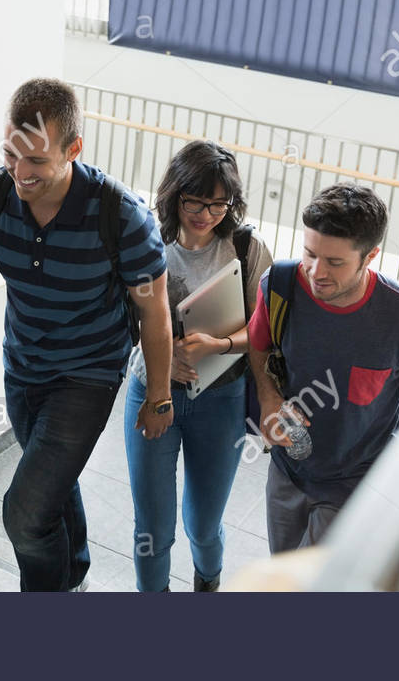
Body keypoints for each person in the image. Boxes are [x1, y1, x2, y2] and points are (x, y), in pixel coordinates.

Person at [0, 79, 172, 591]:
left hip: (89, 373)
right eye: (11, 154)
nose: (20, 172)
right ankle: (74, 574)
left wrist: (159, 396)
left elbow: (154, 314)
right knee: (53, 489)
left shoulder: (121, 216)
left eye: (36, 160)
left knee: (24, 512)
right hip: (23, 368)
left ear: (73, 150)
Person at [248, 183, 399, 553]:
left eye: (335, 262)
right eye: (309, 254)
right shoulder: (278, 285)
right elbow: (258, 345)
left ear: (370, 256)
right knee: (281, 573)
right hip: (287, 470)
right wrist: (268, 398)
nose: (316, 272)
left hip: (357, 485)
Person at [124, 141, 273, 591]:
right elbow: (122, 316)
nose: (205, 213)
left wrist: (219, 343)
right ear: (175, 194)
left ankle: (207, 583)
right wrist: (162, 359)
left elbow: (263, 332)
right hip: (152, 392)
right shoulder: (147, 239)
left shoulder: (246, 248)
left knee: (203, 525)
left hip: (221, 400)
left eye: (217, 203)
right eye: (195, 201)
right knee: (152, 527)